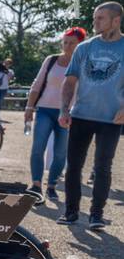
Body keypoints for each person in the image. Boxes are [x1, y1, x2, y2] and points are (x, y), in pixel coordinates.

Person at [58, 2, 124, 230]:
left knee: (103, 166)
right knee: (74, 166)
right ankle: (71, 213)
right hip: (81, 115)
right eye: (95, 18)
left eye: (100, 19)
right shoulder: (84, 48)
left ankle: (96, 215)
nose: (94, 22)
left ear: (116, 21)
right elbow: (70, 81)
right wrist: (64, 109)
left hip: (111, 118)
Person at [24, 27, 87, 198]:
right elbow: (37, 85)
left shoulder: (84, 64)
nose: (67, 46)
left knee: (60, 153)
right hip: (44, 110)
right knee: (38, 148)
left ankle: (51, 184)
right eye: (65, 42)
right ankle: (36, 185)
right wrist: (29, 108)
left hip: (68, 113)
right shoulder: (51, 60)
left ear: (80, 45)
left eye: (72, 43)